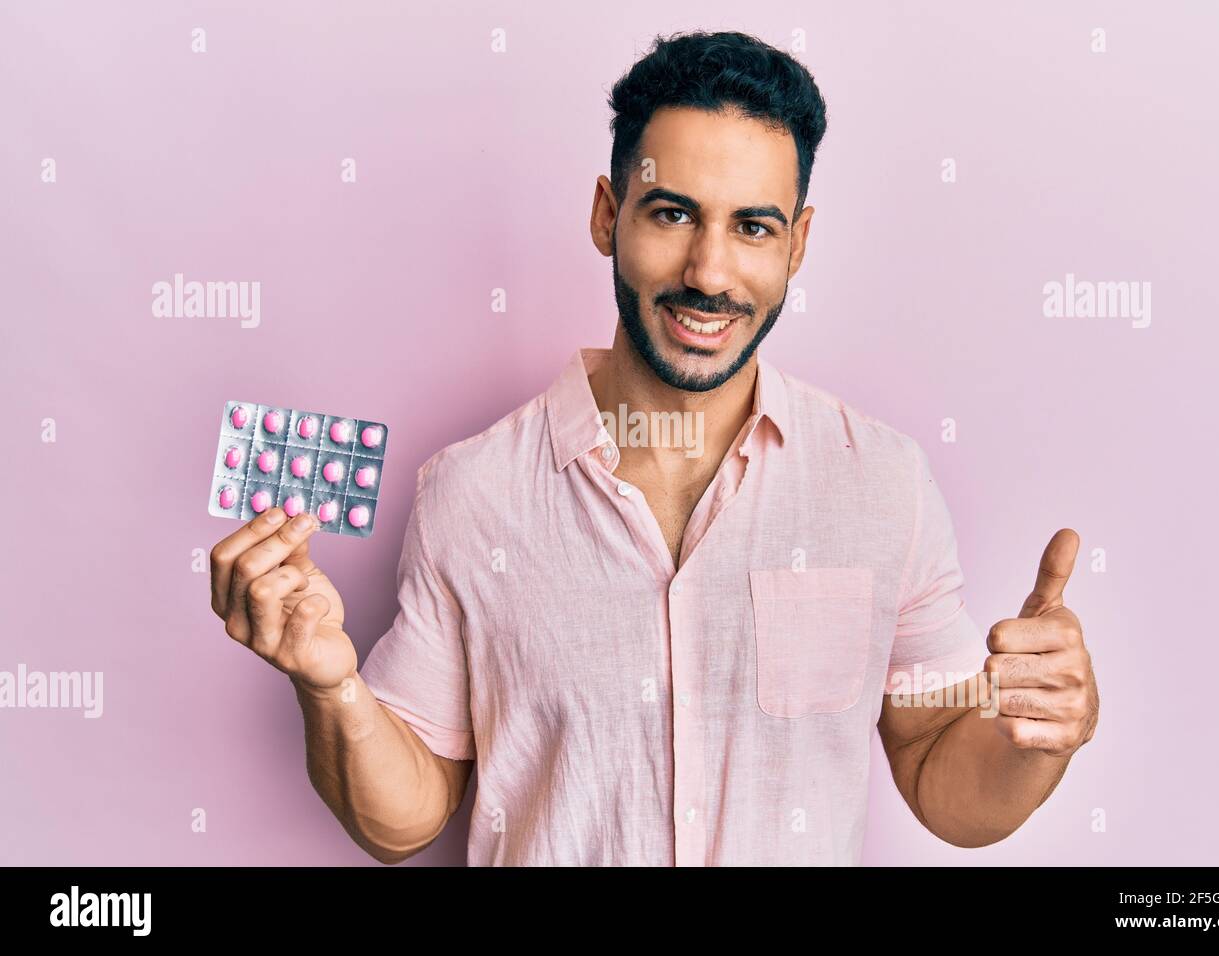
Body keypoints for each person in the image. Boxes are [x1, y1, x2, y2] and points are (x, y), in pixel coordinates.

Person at [209, 30, 1098, 866]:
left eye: (754, 227)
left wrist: (1036, 736)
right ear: (608, 214)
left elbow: (941, 773)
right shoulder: (472, 491)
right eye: (673, 214)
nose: (710, 272)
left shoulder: (883, 486)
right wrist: (331, 689)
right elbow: (404, 819)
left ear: (798, 245)